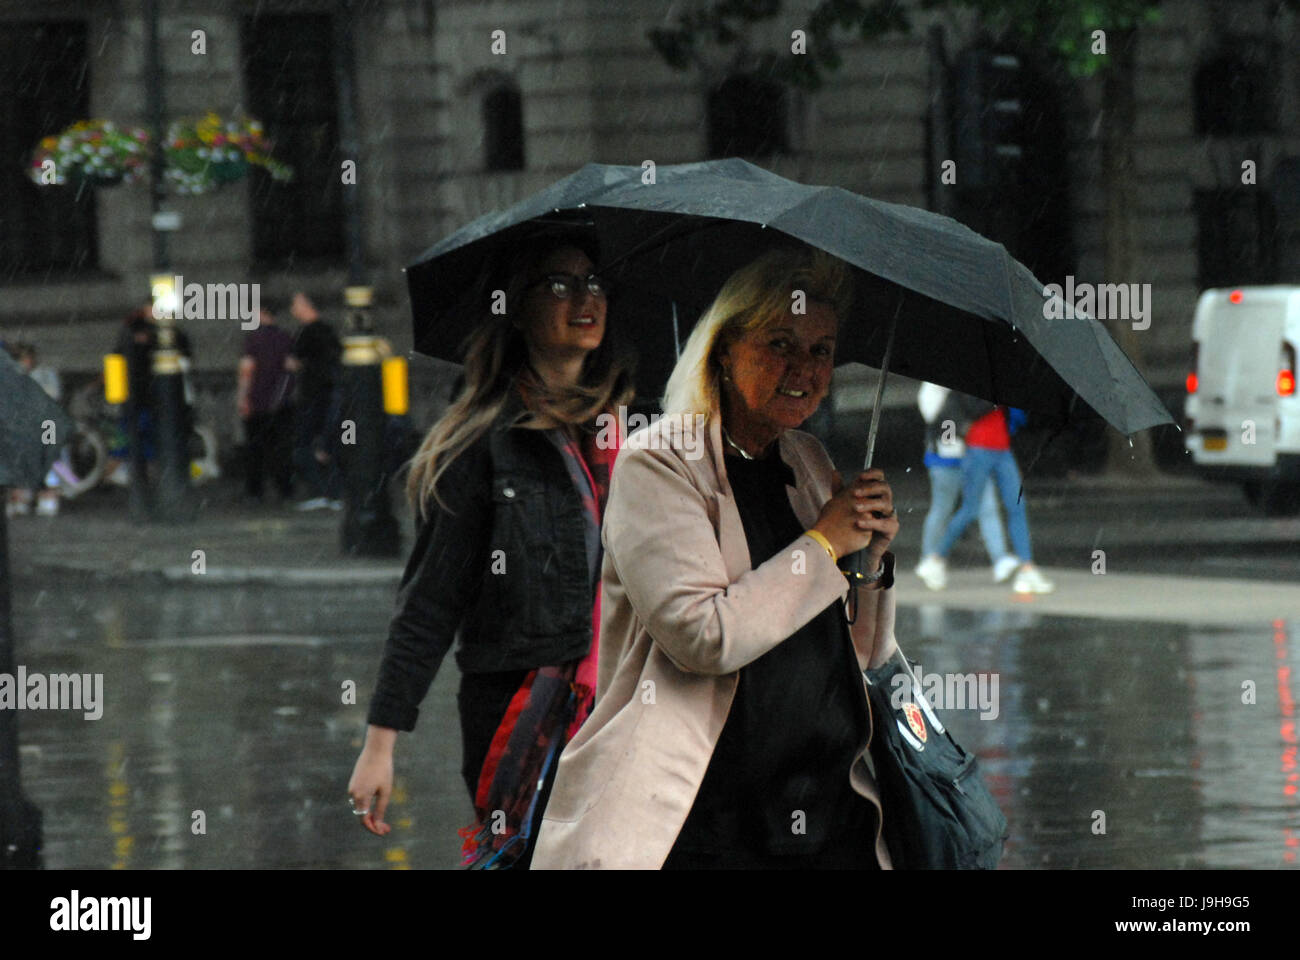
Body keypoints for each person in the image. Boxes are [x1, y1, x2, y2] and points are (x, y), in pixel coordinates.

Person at [531, 247, 901, 870]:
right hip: (703, 822)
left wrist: (869, 563)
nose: (804, 369)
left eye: (821, 350)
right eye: (780, 343)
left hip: (828, 815)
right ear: (724, 349)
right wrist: (825, 545)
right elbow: (703, 636)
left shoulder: (807, 461)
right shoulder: (661, 462)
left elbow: (857, 652)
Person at [347, 230, 633, 869]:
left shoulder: (637, 432)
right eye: (559, 284)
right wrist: (380, 742)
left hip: (626, 702)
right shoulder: (481, 444)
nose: (584, 298)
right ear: (518, 307)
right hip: (519, 706)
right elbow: (428, 604)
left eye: (594, 283)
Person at [917, 395, 1054, 594]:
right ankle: (935, 558)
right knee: (971, 509)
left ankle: (1027, 567)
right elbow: (969, 408)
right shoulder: (974, 384)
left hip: (1002, 448)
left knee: (1017, 506)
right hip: (978, 449)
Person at [914, 382, 1018, 590]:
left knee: (987, 507)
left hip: (974, 455)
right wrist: (963, 428)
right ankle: (929, 560)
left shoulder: (961, 389)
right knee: (942, 510)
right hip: (945, 461)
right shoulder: (931, 392)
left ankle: (1000, 559)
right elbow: (942, 423)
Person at [286, 292, 343, 511]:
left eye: (296, 304)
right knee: (330, 444)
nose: (293, 309)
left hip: (313, 396)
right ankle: (333, 491)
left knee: (303, 445)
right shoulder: (327, 331)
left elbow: (292, 363)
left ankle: (322, 491)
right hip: (330, 394)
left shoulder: (306, 333)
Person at [237, 302, 296, 504]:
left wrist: (243, 397)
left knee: (255, 450)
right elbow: (291, 367)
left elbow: (247, 370)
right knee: (281, 449)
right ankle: (285, 489)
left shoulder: (254, 339)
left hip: (257, 402)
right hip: (281, 402)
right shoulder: (285, 337)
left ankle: (255, 492)